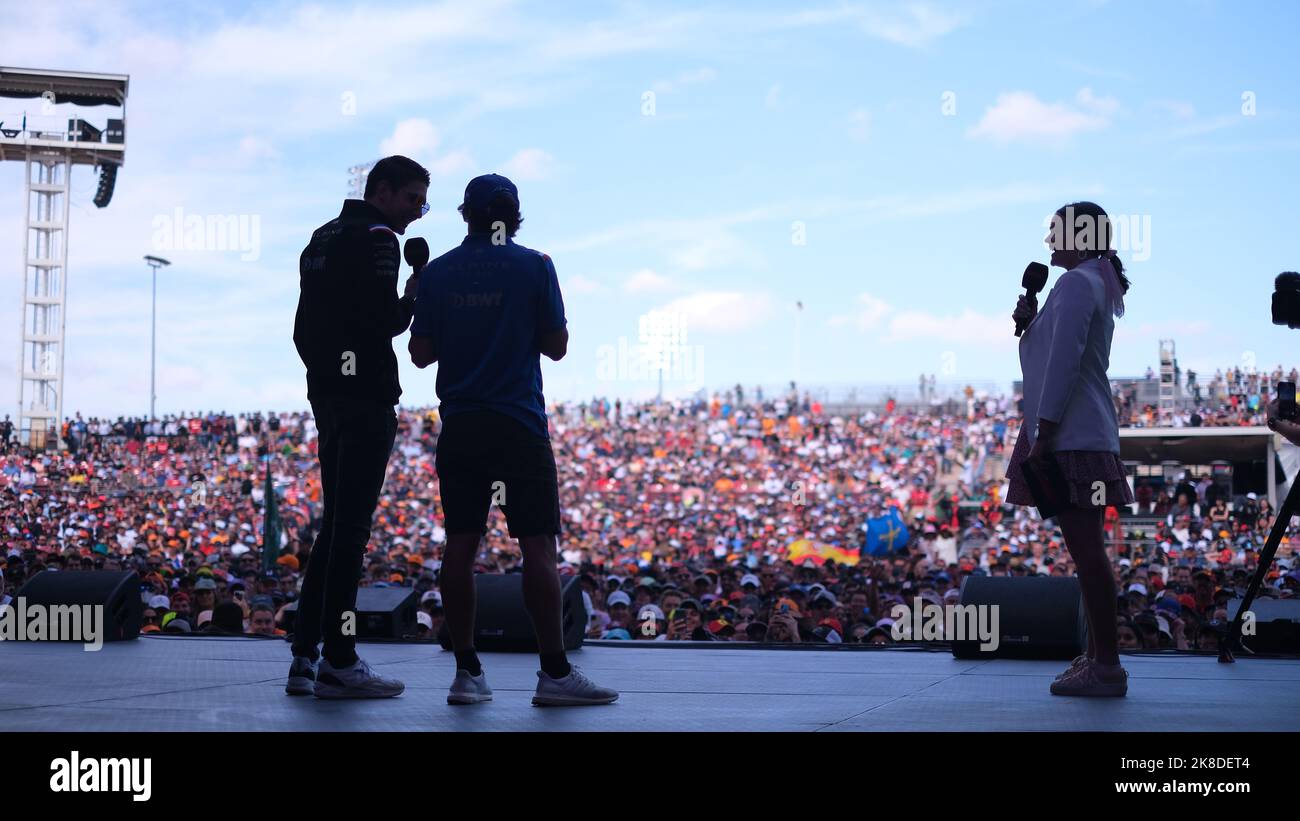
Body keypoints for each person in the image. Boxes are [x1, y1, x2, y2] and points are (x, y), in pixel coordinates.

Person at [408, 173, 617, 706]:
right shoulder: (536, 266)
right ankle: (553, 674)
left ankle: (467, 673)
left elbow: (421, 353)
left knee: (460, 545)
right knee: (538, 548)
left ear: (466, 214)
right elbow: (557, 346)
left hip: (462, 424)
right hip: (519, 423)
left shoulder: (438, 272)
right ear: (514, 214)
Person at [287, 155, 429, 699]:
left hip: (326, 392)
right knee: (351, 531)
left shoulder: (320, 237)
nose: (417, 213)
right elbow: (384, 320)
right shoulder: (377, 238)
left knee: (334, 526)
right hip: (366, 394)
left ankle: (305, 654)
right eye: (413, 199)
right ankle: (340, 660)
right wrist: (414, 293)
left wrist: (323, 375)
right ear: (383, 191)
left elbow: (303, 326)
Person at [1006, 200, 1135, 697]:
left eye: (1056, 231)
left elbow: (1064, 363)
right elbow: (1053, 355)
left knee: (1088, 554)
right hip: (1075, 430)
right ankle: (1101, 658)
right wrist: (1030, 322)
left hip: (1069, 433)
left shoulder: (1077, 284)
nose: (1049, 242)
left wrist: (1045, 432)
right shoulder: (1089, 282)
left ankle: (1108, 666)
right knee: (1086, 554)